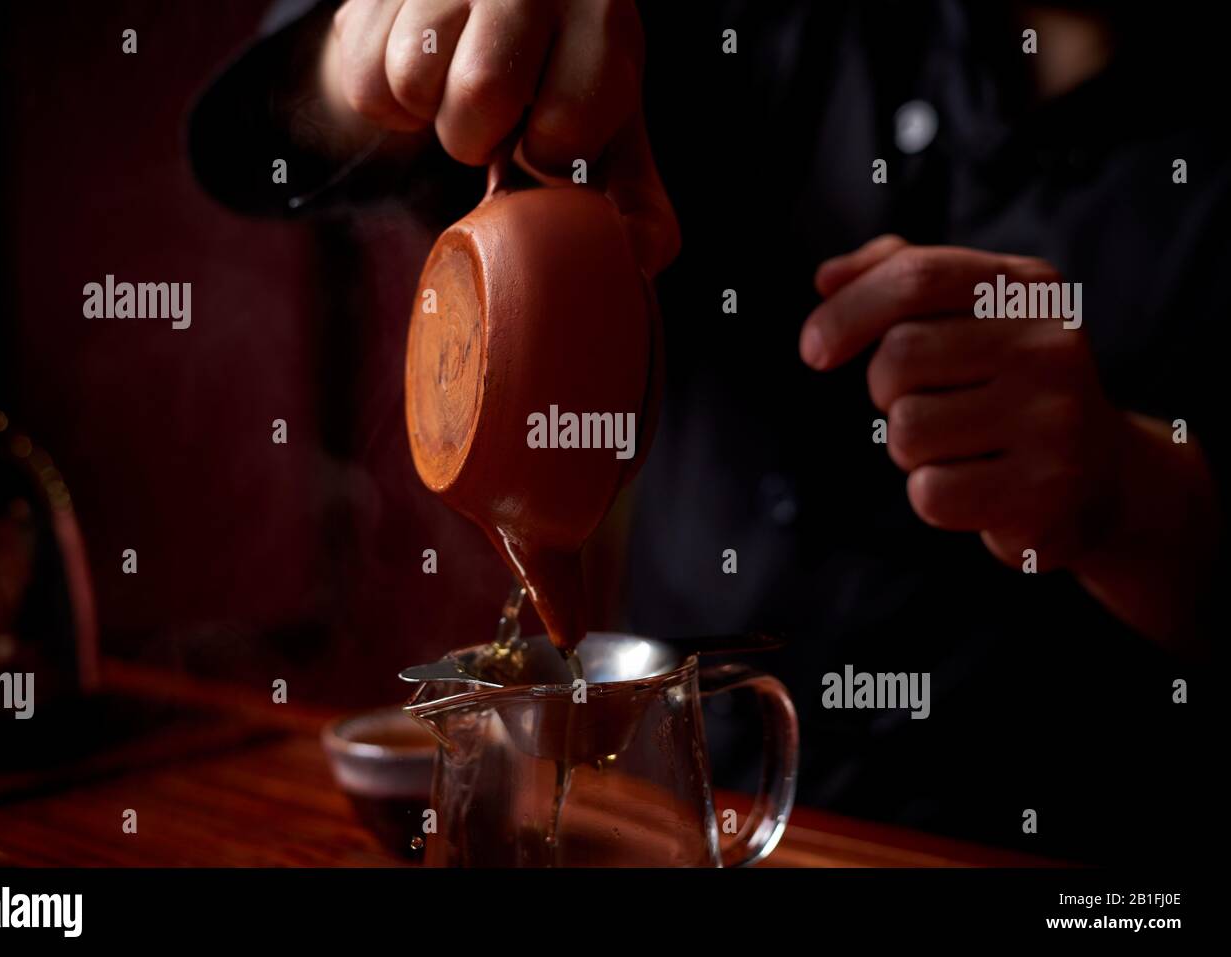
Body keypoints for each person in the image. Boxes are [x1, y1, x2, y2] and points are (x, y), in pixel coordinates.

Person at [189, 0, 1225, 863]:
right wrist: (368, 48)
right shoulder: (756, 21)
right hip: (660, 809)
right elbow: (272, 138)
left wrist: (1127, 496)